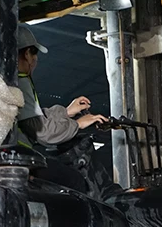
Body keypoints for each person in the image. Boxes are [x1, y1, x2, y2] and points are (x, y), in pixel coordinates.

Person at [16, 24, 108, 191]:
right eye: (35, 54)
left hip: (14, 158)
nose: (36, 60)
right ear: (28, 54)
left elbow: (30, 118)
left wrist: (66, 112)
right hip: (19, 160)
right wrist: (78, 124)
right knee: (76, 182)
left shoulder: (4, 81)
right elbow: (44, 133)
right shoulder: (20, 82)